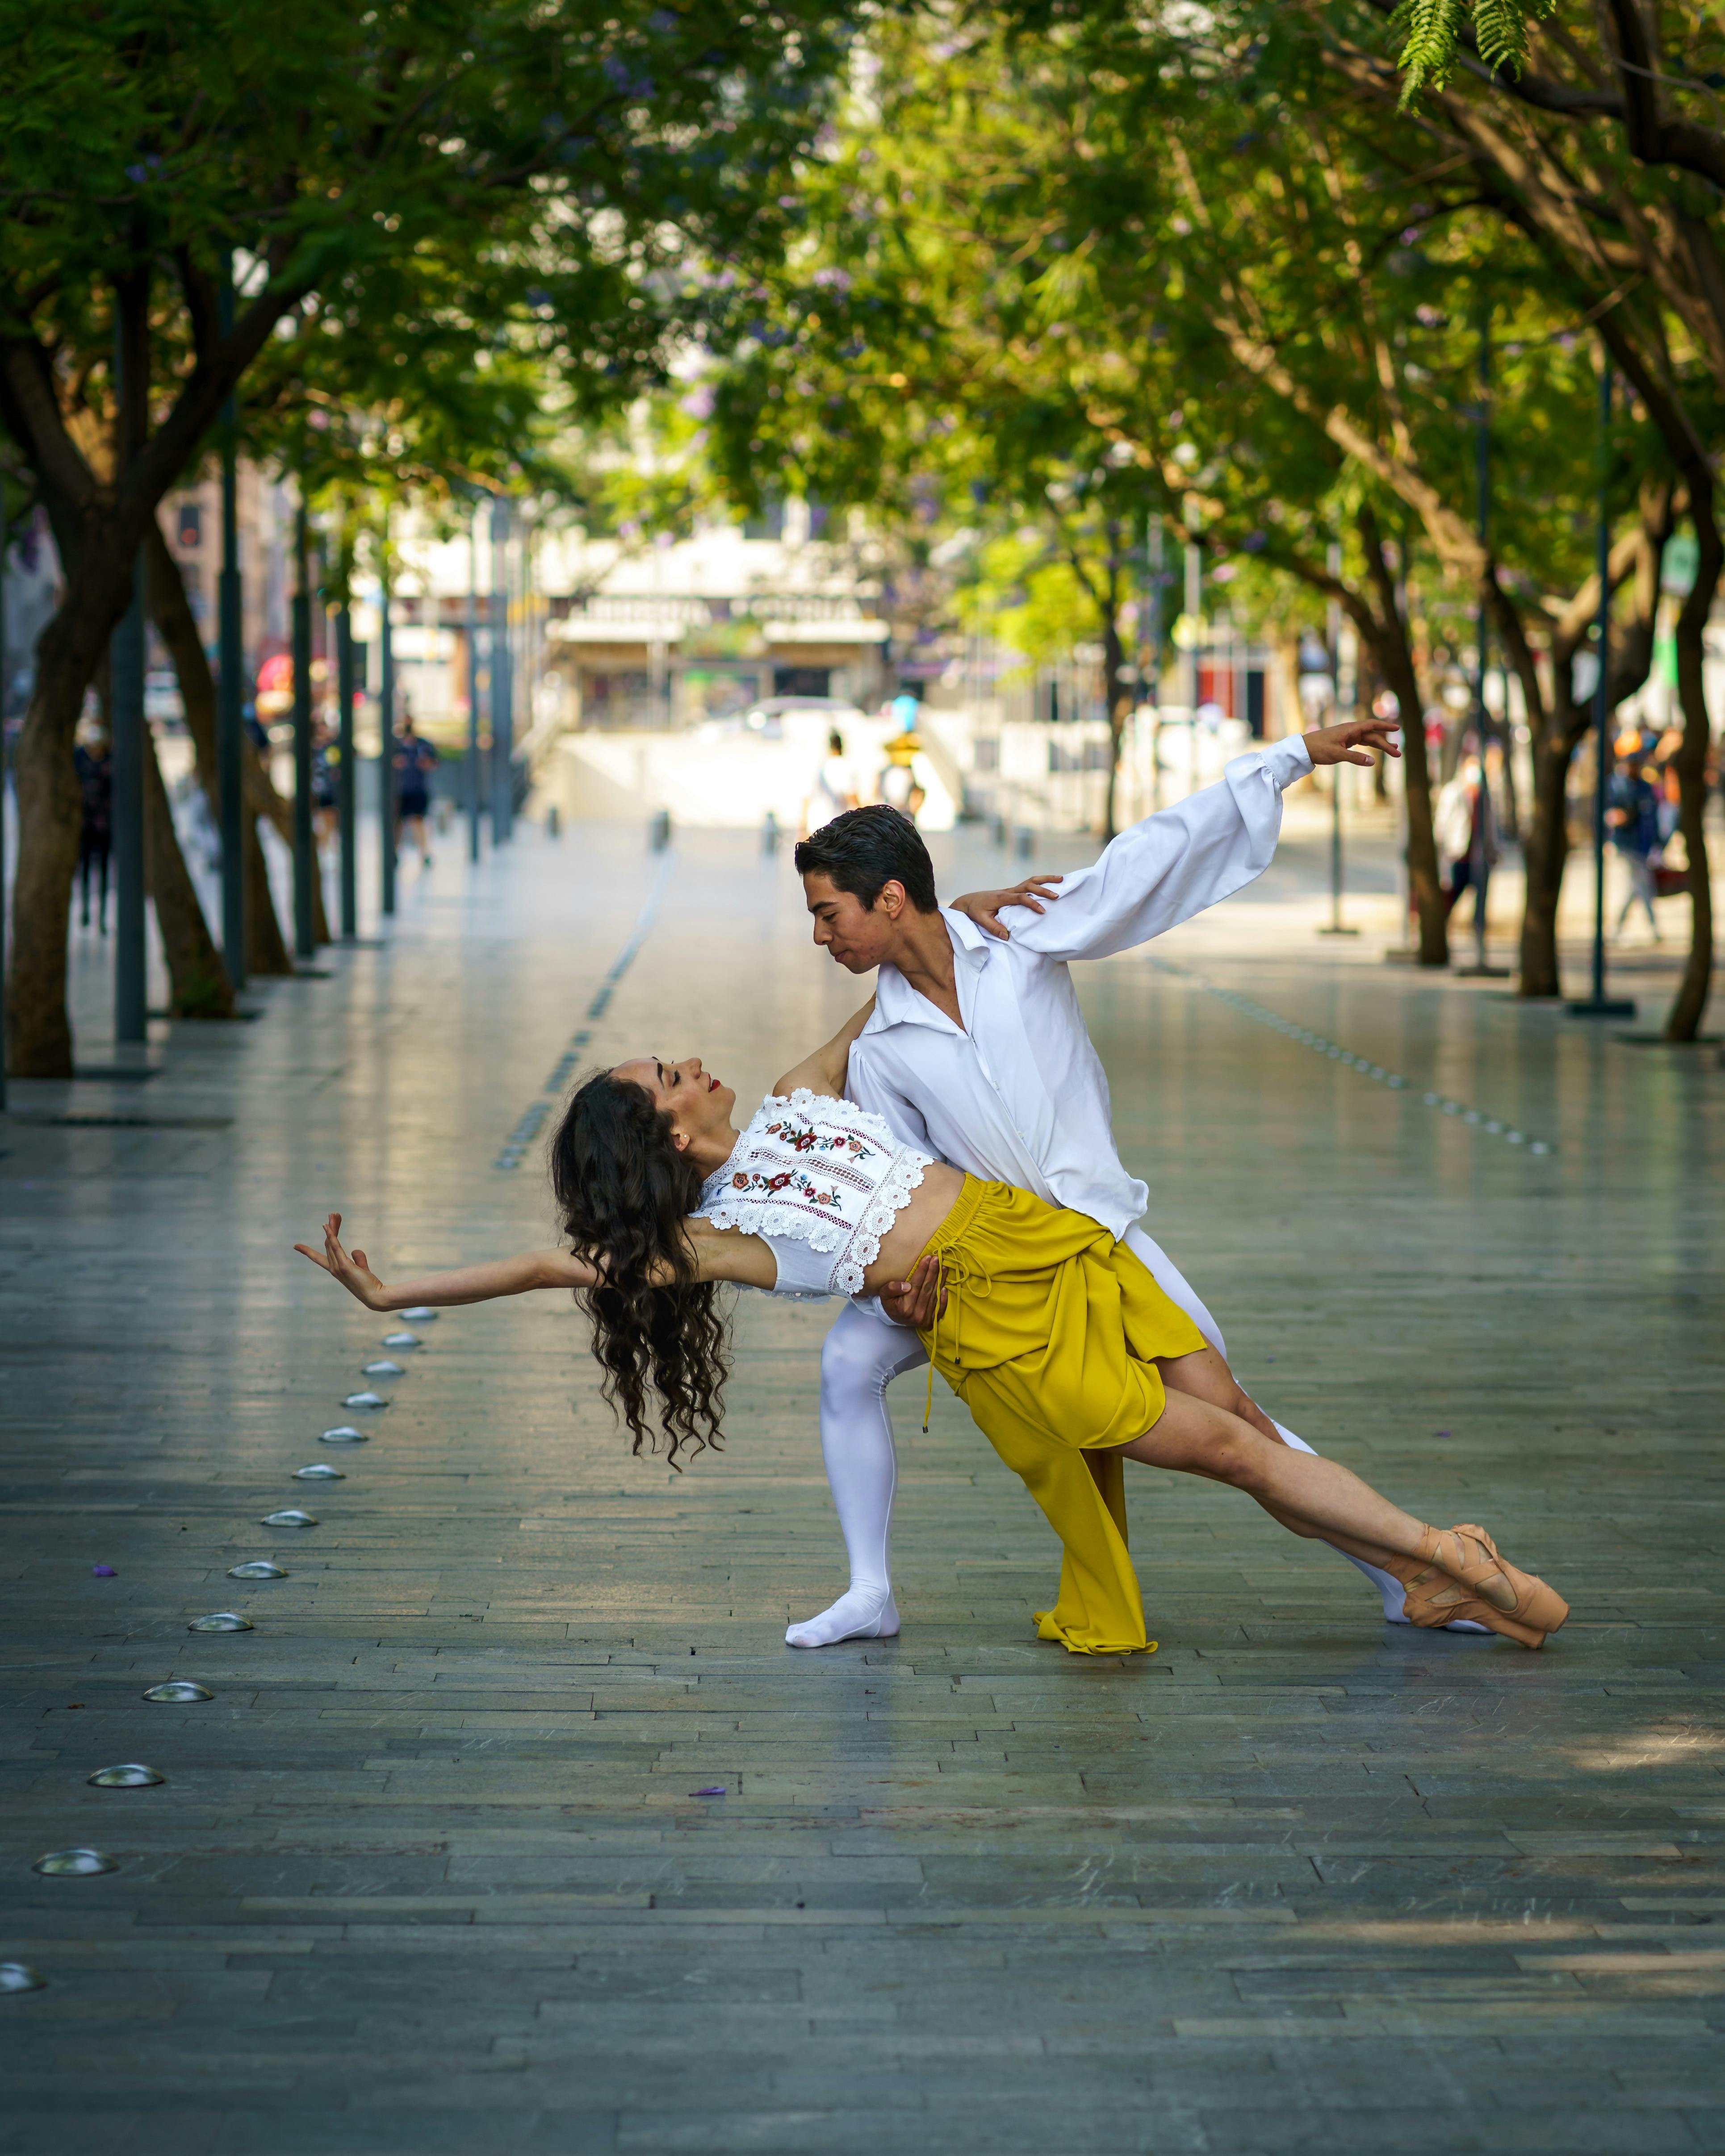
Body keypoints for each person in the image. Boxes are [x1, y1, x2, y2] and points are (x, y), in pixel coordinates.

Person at [294, 1029, 1568, 1655]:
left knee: (1241, 1423)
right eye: (666, 1075)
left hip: (1054, 1239)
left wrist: (980, 904)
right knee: (1231, 1455)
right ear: (668, 1139)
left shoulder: (798, 1099)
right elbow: (536, 1264)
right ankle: (1442, 1552)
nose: (690, 1059)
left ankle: (1413, 1577)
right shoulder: (726, 1236)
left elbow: (884, 979)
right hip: (1005, 1327)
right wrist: (393, 1292)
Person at [783, 716, 1490, 1651]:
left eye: (828, 913)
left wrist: (1285, 759)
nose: (820, 935)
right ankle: (869, 1591)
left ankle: (1404, 1574)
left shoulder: (1019, 932)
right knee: (847, 1360)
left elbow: (1144, 863)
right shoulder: (877, 1047)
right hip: (996, 1274)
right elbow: (904, 1179)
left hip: (1103, 1242)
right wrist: (902, 1286)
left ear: (888, 898)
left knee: (1236, 1424)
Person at [1607, 737, 1662, 942]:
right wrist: (1618, 817)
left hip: (1644, 844)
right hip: (1627, 844)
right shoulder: (1617, 785)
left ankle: (1618, 926)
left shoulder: (1645, 787)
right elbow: (1608, 813)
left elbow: (1653, 816)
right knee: (1645, 885)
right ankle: (1654, 927)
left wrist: (1659, 842)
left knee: (1636, 887)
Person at [73, 721, 112, 933]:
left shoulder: (110, 762)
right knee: (86, 870)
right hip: (86, 824)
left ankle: (103, 916)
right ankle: (86, 911)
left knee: (104, 872)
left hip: (105, 826)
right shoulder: (81, 760)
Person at [396, 713, 439, 868]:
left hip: (417, 789)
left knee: (417, 822)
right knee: (398, 824)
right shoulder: (397, 745)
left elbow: (434, 763)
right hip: (400, 790)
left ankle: (424, 853)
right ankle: (395, 853)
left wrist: (425, 764)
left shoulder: (423, 745)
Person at [804, 728, 855, 836]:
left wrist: (802, 827)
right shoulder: (844, 766)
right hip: (835, 826)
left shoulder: (819, 766)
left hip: (814, 825)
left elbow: (807, 799)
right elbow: (852, 797)